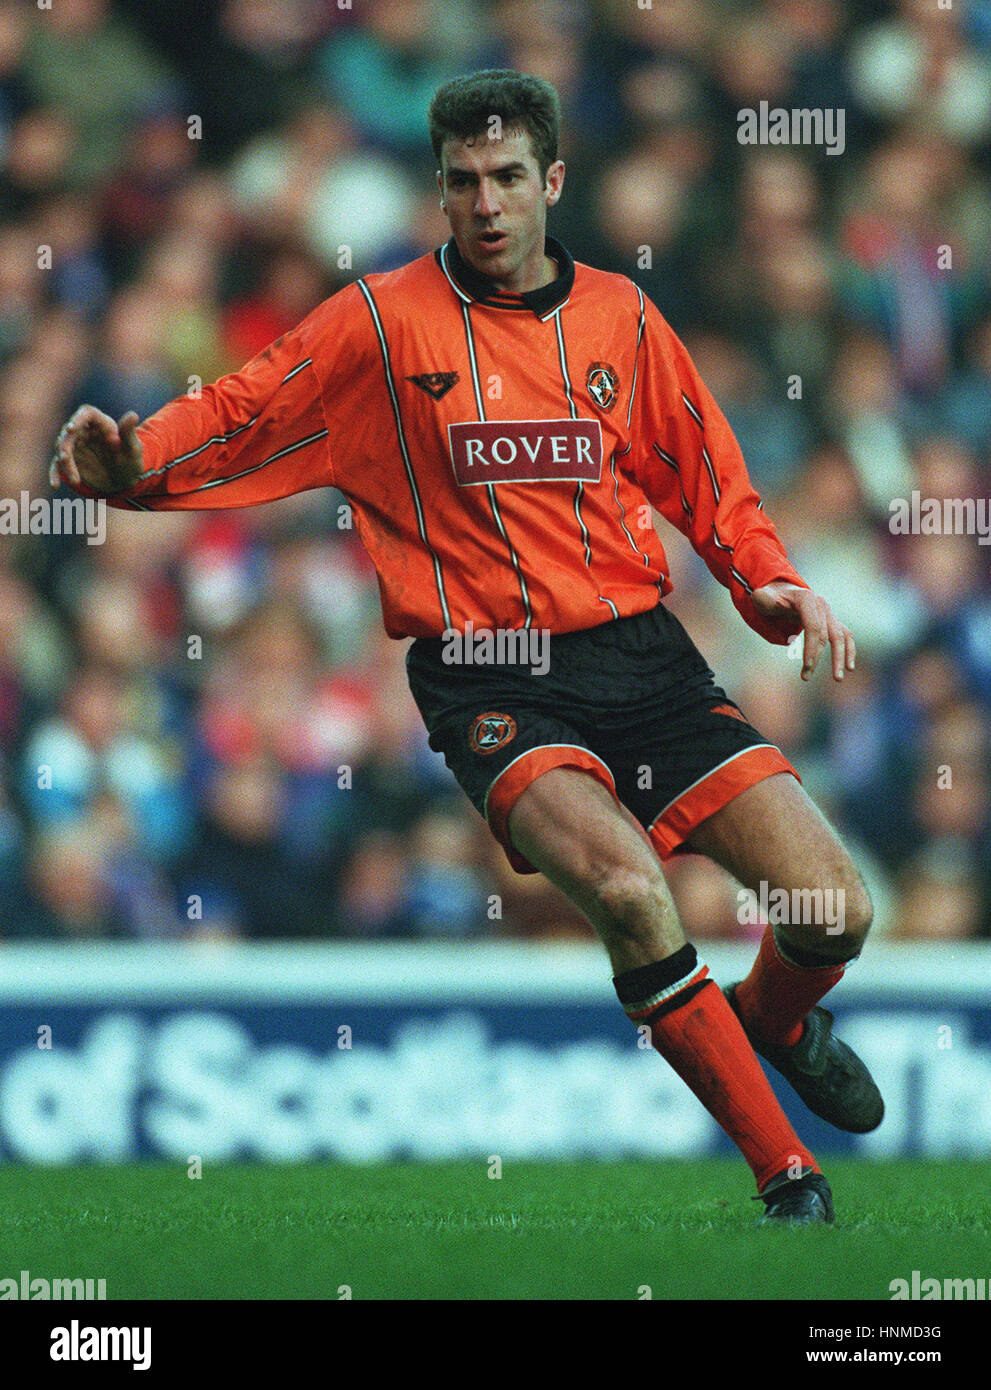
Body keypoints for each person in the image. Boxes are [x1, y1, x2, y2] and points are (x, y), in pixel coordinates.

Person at [51, 69, 882, 1223]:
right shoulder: (380, 325)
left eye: (505, 178)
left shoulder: (623, 320)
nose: (485, 204)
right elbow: (246, 403)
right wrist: (133, 463)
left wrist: (769, 581)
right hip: (488, 677)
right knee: (630, 894)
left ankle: (770, 1022)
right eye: (461, 183)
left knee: (830, 910)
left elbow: (706, 475)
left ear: (551, 180)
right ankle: (786, 1177)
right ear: (439, 193)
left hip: (642, 657)